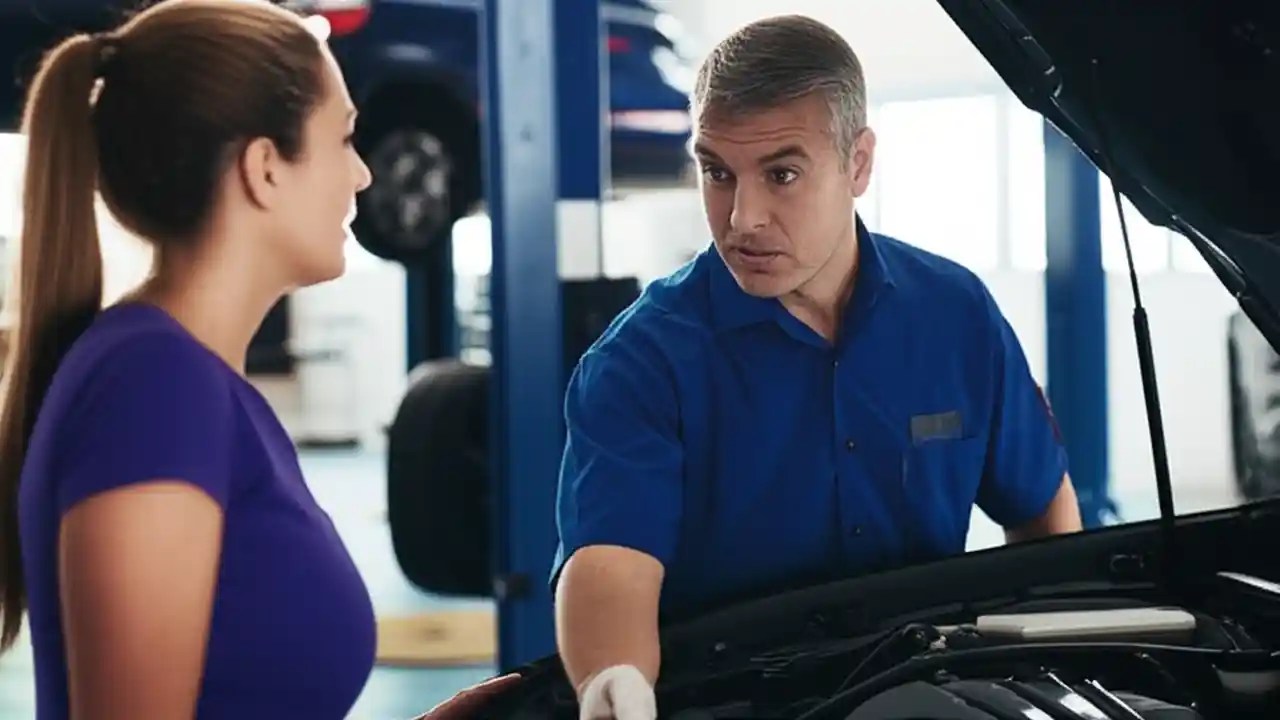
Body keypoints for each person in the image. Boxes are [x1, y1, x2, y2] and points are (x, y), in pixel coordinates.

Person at [551, 14, 1084, 719]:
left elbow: (1044, 518)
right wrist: (613, 683)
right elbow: (609, 566)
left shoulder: (956, 316)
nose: (743, 218)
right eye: (717, 173)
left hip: (928, 697)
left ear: (858, 164)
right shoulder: (641, 362)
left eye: (782, 174)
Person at [0, 1, 516, 717]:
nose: (362, 176)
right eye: (344, 139)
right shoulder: (155, 390)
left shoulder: (190, 379)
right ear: (265, 168)